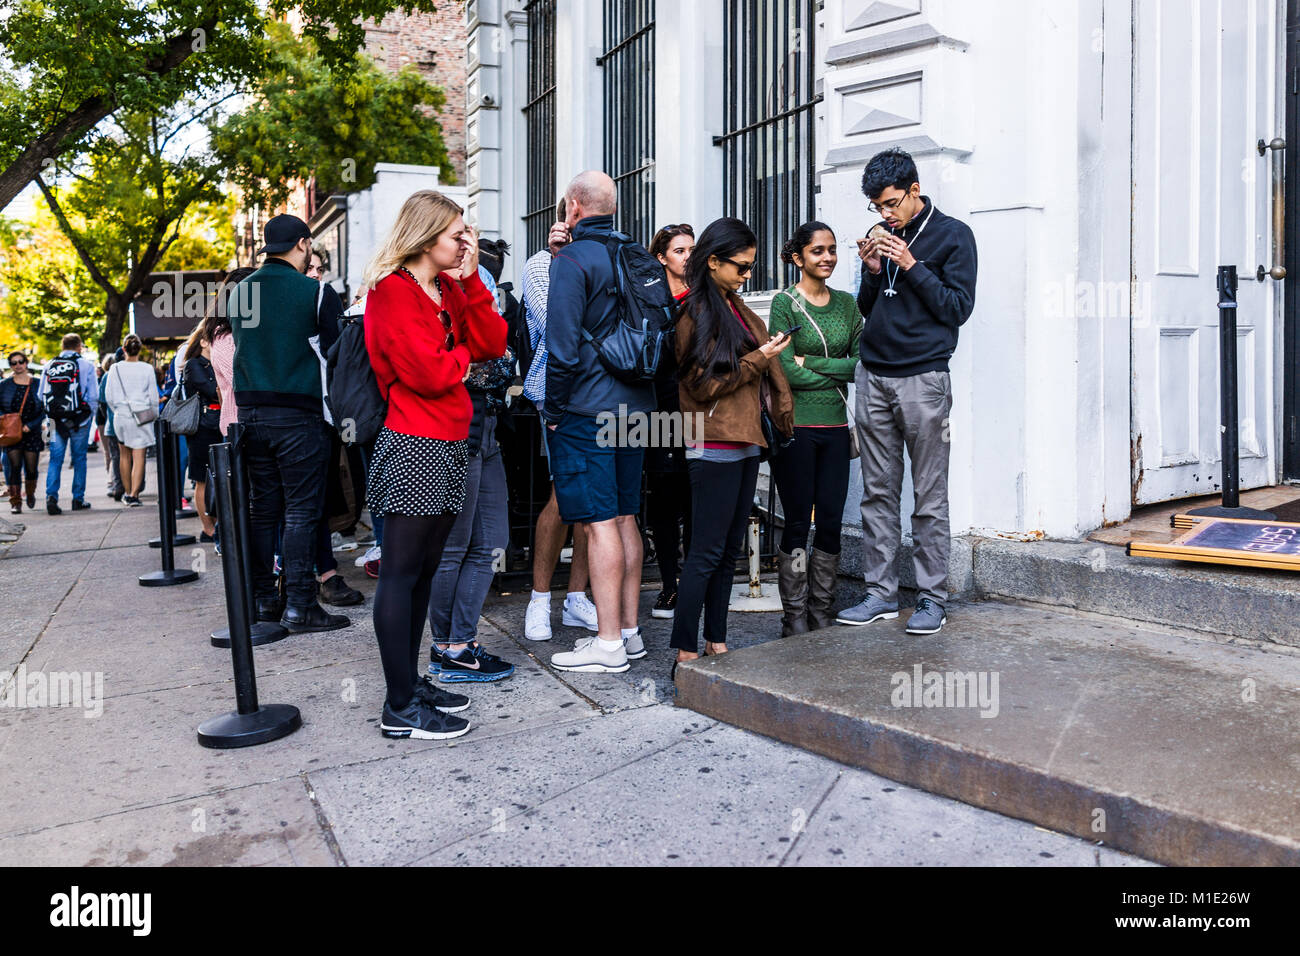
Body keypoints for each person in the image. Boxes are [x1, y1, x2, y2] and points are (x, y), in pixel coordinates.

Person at [363, 189, 507, 739]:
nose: (465, 241)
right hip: (414, 443)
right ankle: (399, 705)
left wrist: (471, 280)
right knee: (401, 573)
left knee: (423, 571)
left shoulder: (447, 288)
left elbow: (493, 342)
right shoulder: (393, 292)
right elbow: (429, 373)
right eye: (456, 234)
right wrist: (463, 361)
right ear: (426, 236)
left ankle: (411, 682)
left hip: (448, 440)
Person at [836, 147, 977, 636]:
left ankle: (932, 598)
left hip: (924, 379)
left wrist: (912, 264)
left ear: (915, 190)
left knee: (929, 496)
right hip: (873, 374)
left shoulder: (954, 235)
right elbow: (867, 307)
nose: (885, 215)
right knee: (876, 492)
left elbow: (956, 308)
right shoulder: (885, 235)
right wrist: (874, 271)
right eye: (877, 208)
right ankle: (879, 593)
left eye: (891, 204)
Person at [670, 217, 794, 677]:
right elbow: (702, 386)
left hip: (744, 440)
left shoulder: (733, 306)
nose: (747, 274)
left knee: (727, 553)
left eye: (750, 266)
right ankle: (685, 649)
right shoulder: (696, 312)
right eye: (741, 266)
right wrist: (758, 359)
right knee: (704, 552)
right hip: (714, 440)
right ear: (715, 261)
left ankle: (716, 641)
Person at [544, 171, 657, 674]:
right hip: (638, 406)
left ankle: (607, 643)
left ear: (572, 206)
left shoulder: (571, 259)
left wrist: (552, 409)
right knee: (627, 515)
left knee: (599, 522)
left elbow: (562, 347)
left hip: (588, 408)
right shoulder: (638, 255)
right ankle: (629, 633)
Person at [228, 213, 349, 635]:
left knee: (264, 509)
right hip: (299, 413)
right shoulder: (315, 291)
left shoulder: (240, 292)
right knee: (302, 510)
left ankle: (265, 601)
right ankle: (300, 605)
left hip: (250, 414)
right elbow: (337, 356)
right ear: (302, 244)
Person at [768, 221, 862, 635]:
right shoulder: (784, 304)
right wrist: (834, 371)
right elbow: (784, 369)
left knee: (829, 519)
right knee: (794, 523)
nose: (827, 258)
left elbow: (860, 364)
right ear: (798, 257)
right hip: (797, 428)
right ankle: (794, 617)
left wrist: (817, 364)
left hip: (837, 428)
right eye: (817, 251)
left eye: (831, 250)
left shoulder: (846, 304)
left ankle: (821, 611)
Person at [519, 197, 597, 642]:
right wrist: (560, 260)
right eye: (575, 215)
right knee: (563, 495)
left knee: (594, 500)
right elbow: (556, 325)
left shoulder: (608, 259)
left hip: (601, 392)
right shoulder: (539, 266)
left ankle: (576, 597)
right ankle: (537, 598)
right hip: (557, 393)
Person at [645, 223, 695, 619]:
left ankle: (693, 583)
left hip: (695, 408)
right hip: (659, 408)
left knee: (695, 494)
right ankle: (669, 584)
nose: (688, 256)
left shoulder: (702, 298)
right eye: (680, 250)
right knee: (663, 497)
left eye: (692, 249)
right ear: (662, 257)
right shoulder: (651, 298)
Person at [38, 333, 98, 514]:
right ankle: (77, 499)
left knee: (55, 459)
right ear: (79, 346)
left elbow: (41, 395)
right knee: (79, 458)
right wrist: (89, 416)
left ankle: (51, 497)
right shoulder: (86, 365)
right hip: (80, 420)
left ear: (62, 346)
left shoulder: (49, 365)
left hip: (55, 421)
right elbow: (93, 396)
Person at [102, 334, 159, 506]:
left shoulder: (115, 369)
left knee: (123, 456)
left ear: (124, 349)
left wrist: (118, 410)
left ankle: (127, 493)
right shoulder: (147, 369)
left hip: (121, 416)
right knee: (139, 456)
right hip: (141, 416)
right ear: (139, 350)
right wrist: (153, 414)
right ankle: (135, 494)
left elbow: (108, 397)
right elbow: (153, 398)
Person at [179, 319, 222, 542]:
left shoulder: (217, 362)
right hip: (203, 426)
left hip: (218, 422)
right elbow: (212, 391)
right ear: (203, 342)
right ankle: (208, 528)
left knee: (217, 476)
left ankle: (216, 524)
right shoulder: (193, 365)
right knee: (202, 478)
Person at [1, 351, 45, 513]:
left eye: (21, 362)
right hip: (12, 433)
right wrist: (6, 420)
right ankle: (16, 501)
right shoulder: (4, 385)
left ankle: (31, 493)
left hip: (31, 432)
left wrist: (32, 425)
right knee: (14, 466)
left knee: (31, 468)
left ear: (26, 363)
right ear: (10, 365)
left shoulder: (38, 384)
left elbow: (44, 409)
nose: (18, 365)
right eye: (14, 363)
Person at [96, 355, 124, 501]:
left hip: (110, 421)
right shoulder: (119, 374)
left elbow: (102, 401)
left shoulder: (106, 376)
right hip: (121, 420)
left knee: (112, 454)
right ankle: (125, 484)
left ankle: (115, 484)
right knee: (124, 454)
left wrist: (109, 416)